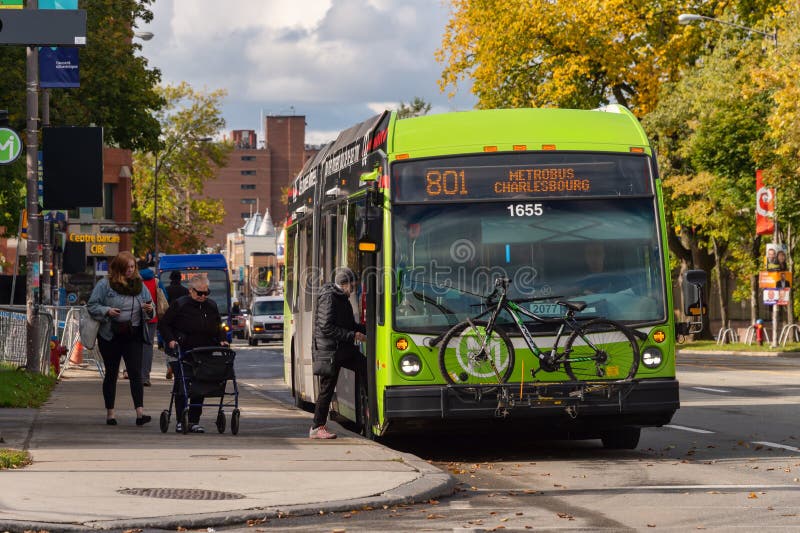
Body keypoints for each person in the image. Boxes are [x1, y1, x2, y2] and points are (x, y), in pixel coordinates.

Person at [87, 251, 155, 426]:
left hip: (133, 334)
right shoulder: (105, 285)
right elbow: (92, 305)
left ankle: (140, 413)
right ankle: (110, 413)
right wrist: (107, 311)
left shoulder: (140, 286)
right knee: (111, 373)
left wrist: (149, 309)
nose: (130, 271)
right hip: (110, 335)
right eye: (126, 268)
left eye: (132, 267)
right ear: (118, 268)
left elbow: (151, 307)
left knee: (135, 373)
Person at [158, 275, 228, 433]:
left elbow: (219, 325)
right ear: (190, 290)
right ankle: (181, 420)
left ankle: (194, 421)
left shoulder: (211, 305)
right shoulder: (180, 305)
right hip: (182, 350)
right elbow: (164, 324)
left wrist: (222, 339)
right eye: (200, 293)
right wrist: (170, 340)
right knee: (182, 385)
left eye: (206, 292)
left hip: (204, 351)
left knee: (200, 384)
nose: (203, 296)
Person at [310, 267, 367, 440]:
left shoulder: (341, 297)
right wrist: (353, 335)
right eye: (353, 286)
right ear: (345, 284)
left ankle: (372, 408)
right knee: (326, 389)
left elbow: (348, 324)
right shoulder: (329, 297)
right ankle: (316, 428)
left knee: (366, 367)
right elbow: (326, 327)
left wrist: (367, 329)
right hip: (331, 351)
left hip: (342, 349)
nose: (354, 289)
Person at [138, 260, 162, 386]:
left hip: (136, 318)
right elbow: (164, 297)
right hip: (152, 318)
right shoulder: (156, 281)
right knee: (148, 347)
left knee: (135, 346)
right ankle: (145, 376)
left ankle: (134, 374)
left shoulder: (136, 281)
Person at [163, 270, 189, 380]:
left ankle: (170, 366)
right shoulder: (185, 290)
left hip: (169, 319)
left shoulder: (167, 290)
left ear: (170, 278)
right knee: (180, 345)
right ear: (180, 278)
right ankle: (179, 366)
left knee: (168, 344)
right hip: (181, 322)